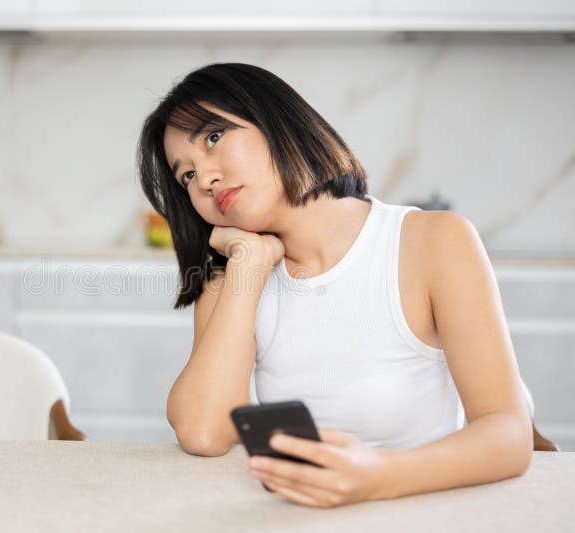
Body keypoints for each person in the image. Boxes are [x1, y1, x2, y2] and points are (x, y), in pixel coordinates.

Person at [136, 62, 535, 508]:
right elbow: (202, 432)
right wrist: (249, 267)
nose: (205, 179)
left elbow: (510, 434)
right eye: (186, 176)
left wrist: (378, 476)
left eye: (213, 138)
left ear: (276, 118)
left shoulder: (434, 241)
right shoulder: (228, 279)